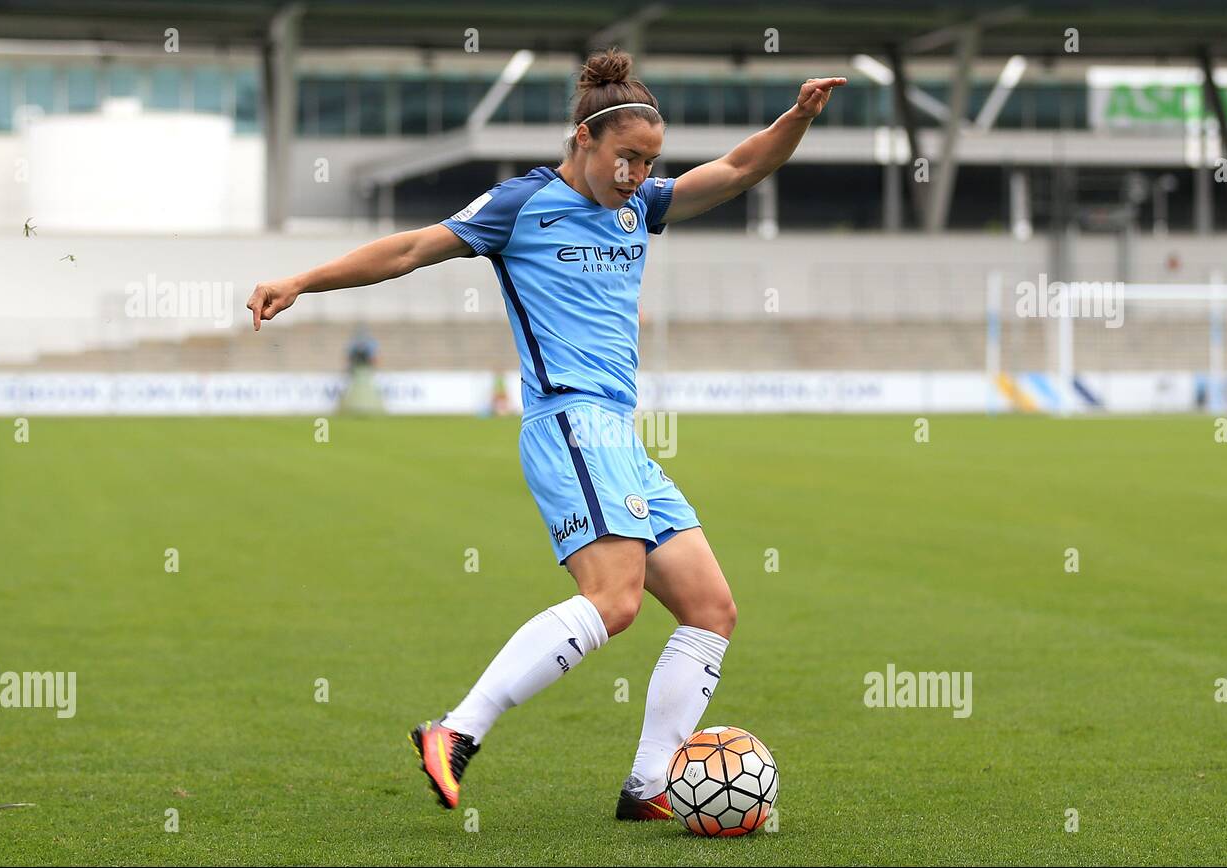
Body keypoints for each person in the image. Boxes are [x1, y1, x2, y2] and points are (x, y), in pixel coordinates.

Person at [246, 48, 845, 820]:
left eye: (650, 161)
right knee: (615, 600)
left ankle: (648, 785)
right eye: (626, 157)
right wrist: (300, 280)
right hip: (569, 421)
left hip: (618, 435)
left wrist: (795, 118)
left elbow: (735, 170)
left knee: (710, 607)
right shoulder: (519, 205)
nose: (637, 174)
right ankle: (455, 732)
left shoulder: (640, 205)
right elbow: (408, 250)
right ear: (583, 141)